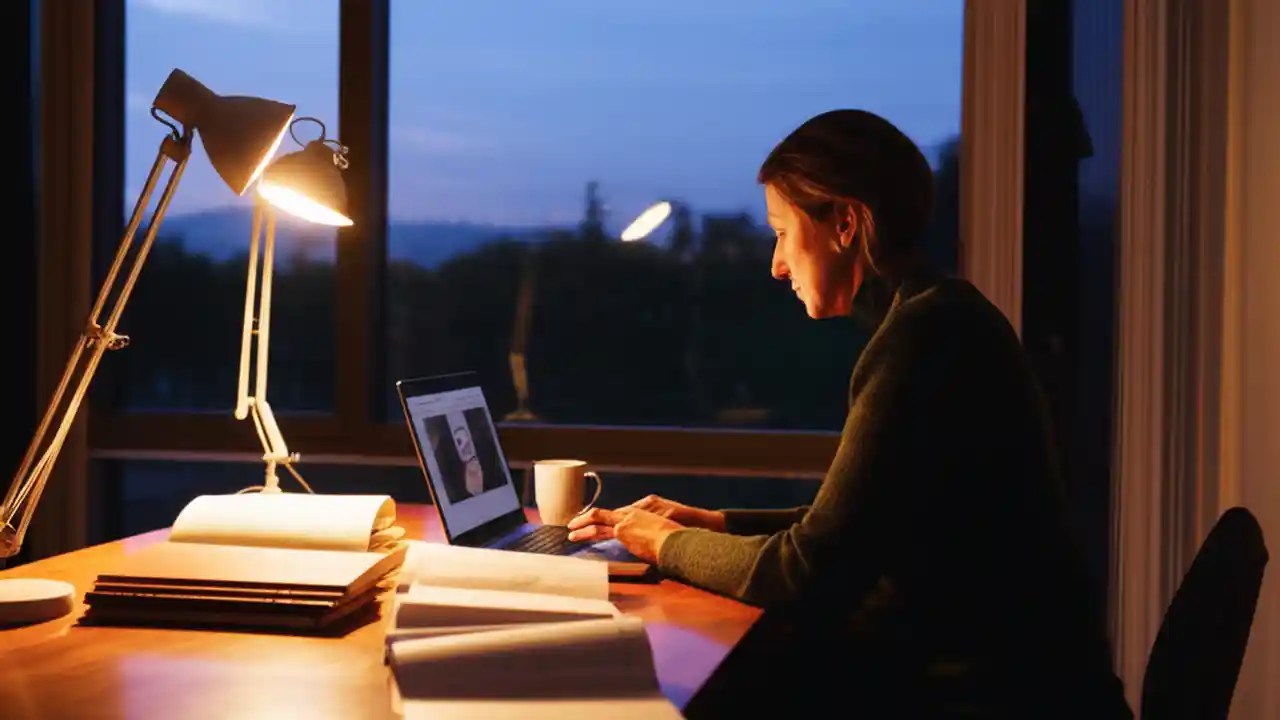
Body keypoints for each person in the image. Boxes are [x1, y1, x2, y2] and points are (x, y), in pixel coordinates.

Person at [566, 109, 1132, 717]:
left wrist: (664, 542)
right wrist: (714, 521)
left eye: (781, 232)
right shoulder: (940, 317)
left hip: (992, 695)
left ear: (843, 222)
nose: (776, 264)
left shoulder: (923, 339)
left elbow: (804, 571)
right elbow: (857, 526)